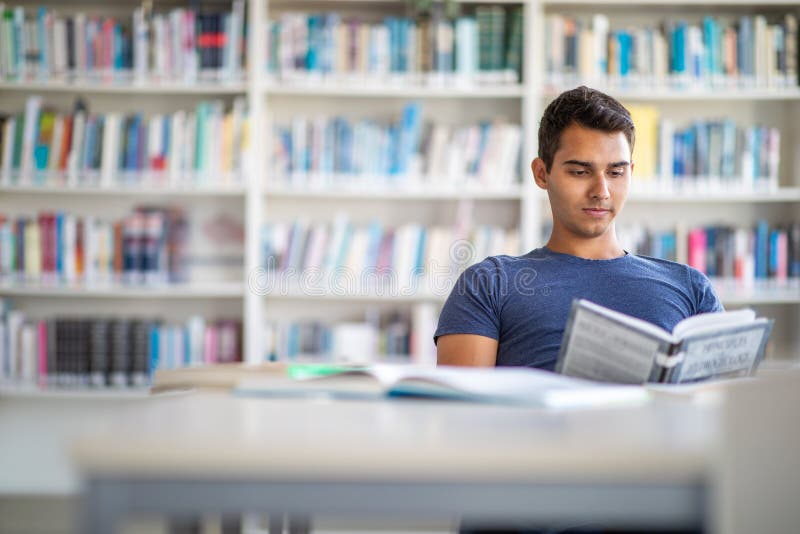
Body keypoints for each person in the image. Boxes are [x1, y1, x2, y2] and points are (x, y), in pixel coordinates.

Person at [435, 85, 723, 369]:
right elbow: (464, 412)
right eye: (580, 172)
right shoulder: (489, 284)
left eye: (616, 172)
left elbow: (727, 407)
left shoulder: (689, 287)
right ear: (541, 173)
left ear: (631, 174)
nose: (602, 191)